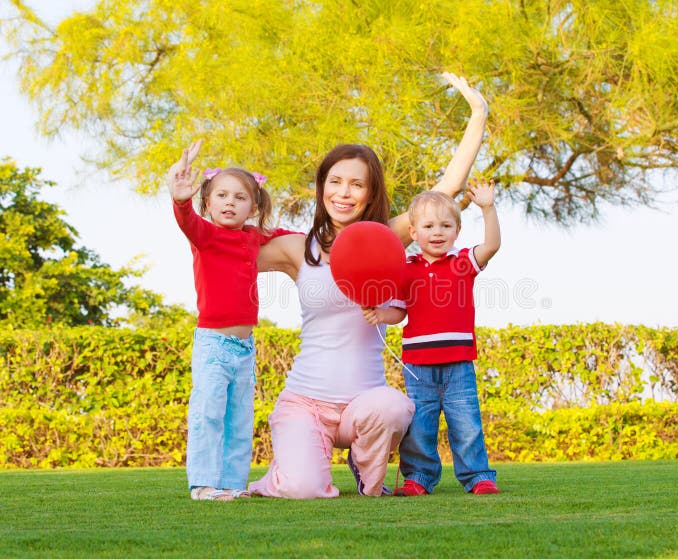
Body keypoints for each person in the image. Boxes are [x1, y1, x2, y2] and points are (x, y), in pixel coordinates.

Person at [174, 72, 488, 498]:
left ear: (371, 191)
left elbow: (446, 188)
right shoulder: (294, 248)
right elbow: (222, 246)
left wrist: (478, 113)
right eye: (335, 181)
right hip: (307, 400)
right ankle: (282, 473)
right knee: (302, 489)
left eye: (357, 184)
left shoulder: (384, 240)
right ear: (322, 187)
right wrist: (191, 203)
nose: (344, 193)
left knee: (394, 407)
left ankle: (363, 465)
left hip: (365, 403)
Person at [361, 179, 501, 496]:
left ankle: (478, 476)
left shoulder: (463, 262)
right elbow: (398, 312)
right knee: (420, 427)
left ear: (456, 231)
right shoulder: (405, 269)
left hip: (458, 364)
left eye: (445, 225)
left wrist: (488, 208)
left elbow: (491, 245)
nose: (437, 232)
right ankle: (419, 478)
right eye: (428, 226)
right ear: (414, 233)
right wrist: (381, 315)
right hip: (417, 366)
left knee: (465, 423)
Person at [169, 158, 296, 501]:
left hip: (244, 347)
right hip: (212, 344)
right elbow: (187, 221)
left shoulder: (253, 238)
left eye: (240, 197)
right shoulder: (205, 235)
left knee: (239, 419)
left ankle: (231, 484)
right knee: (208, 413)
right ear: (207, 202)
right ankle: (204, 485)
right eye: (222, 195)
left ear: (253, 206)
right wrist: (180, 200)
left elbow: (288, 237)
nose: (230, 202)